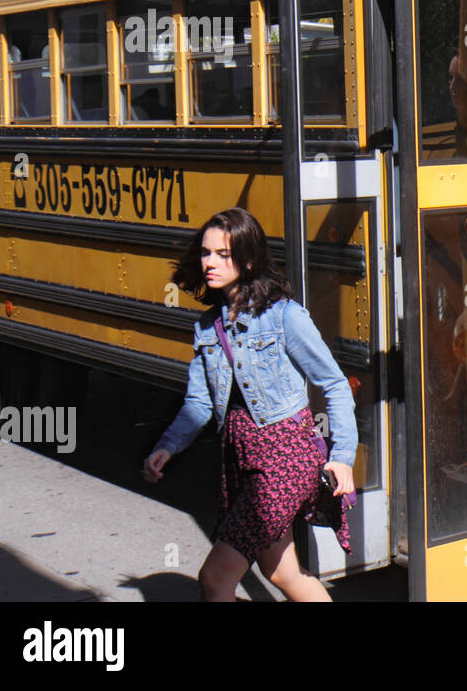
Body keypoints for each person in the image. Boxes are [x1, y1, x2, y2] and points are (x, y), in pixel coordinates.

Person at [142, 207, 356, 602]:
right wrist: (167, 446)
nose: (210, 262)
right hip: (240, 459)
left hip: (285, 459)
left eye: (223, 254)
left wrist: (342, 454)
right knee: (284, 574)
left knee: (215, 577)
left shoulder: (284, 317)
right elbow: (198, 402)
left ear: (249, 258)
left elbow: (334, 383)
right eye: (206, 253)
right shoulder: (208, 328)